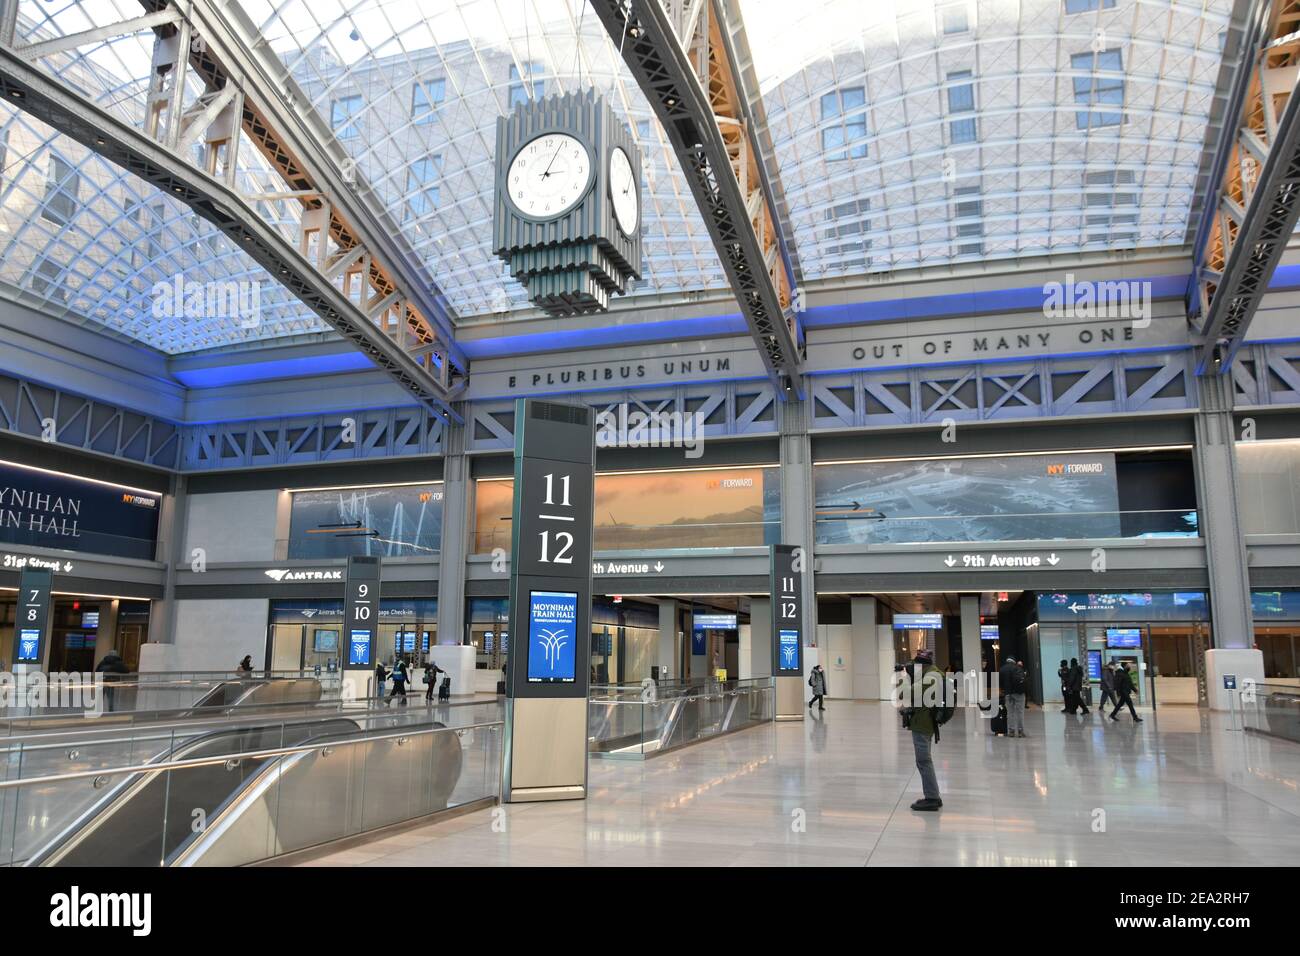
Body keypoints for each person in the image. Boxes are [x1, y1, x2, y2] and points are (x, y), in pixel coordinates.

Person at [900, 648, 947, 812]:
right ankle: (933, 795)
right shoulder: (932, 674)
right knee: (924, 760)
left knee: (923, 761)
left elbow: (905, 693)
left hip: (923, 724)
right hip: (924, 721)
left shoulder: (931, 678)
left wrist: (904, 678)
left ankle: (932, 798)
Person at [999, 655, 1027, 738]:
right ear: (1014, 661)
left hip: (1008, 694)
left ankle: (1011, 731)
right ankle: (1020, 731)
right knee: (1020, 712)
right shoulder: (1017, 668)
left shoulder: (1002, 669)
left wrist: (1005, 691)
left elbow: (1000, 683)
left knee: (1010, 713)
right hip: (1019, 694)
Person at [95, 648, 130, 713]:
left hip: (101, 680)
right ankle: (111, 710)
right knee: (110, 696)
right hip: (111, 681)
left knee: (100, 696)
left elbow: (97, 670)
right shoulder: (118, 663)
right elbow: (127, 670)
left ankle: (98, 709)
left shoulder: (103, 661)